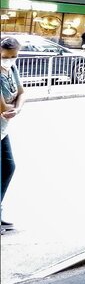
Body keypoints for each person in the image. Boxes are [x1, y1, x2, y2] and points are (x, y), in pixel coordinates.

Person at [1, 36, 26, 235]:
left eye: (14, 56)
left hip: (2, 129)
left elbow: (22, 93)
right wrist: (13, 107)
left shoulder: (12, 69)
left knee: (9, 167)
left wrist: (17, 108)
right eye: (6, 56)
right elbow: (3, 106)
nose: (10, 59)